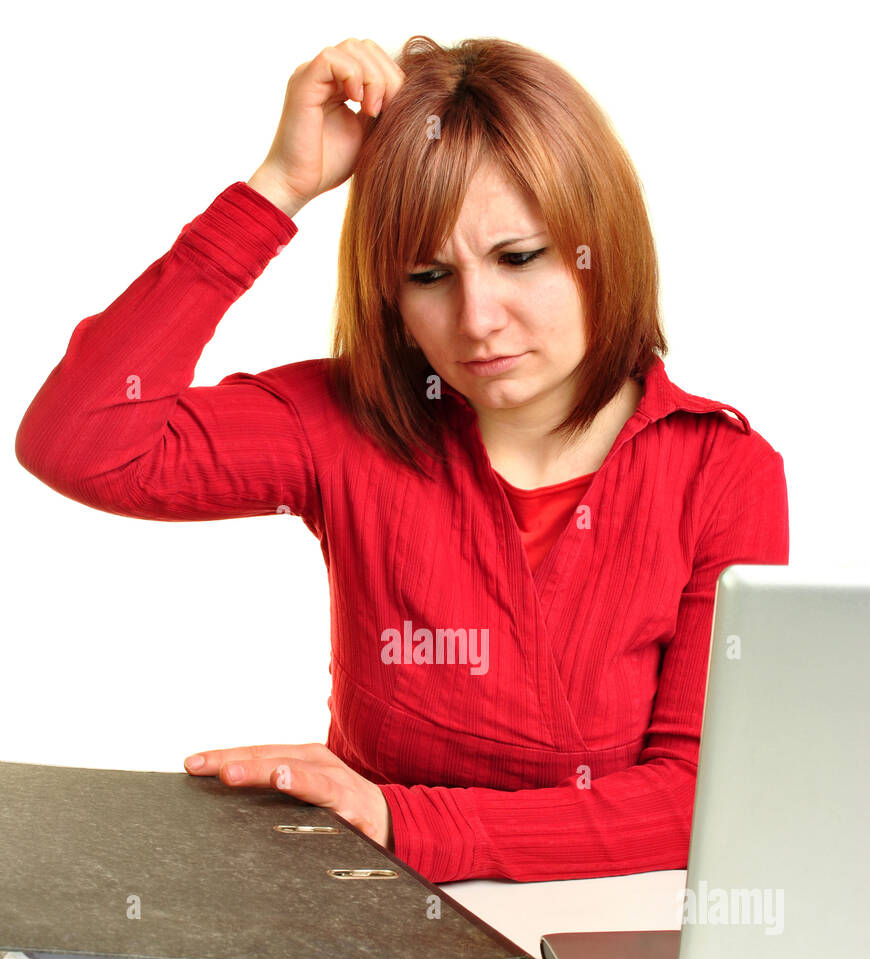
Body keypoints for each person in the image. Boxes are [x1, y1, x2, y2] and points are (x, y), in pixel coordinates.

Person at [14, 35, 789, 885]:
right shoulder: (345, 421)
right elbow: (79, 443)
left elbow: (693, 803)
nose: (478, 319)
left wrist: (402, 819)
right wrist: (277, 189)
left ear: (598, 242)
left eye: (518, 258)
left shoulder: (723, 471)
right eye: (428, 275)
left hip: (596, 936)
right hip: (374, 924)